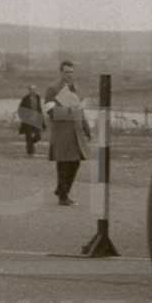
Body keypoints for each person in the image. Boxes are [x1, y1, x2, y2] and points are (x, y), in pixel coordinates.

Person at [43, 59, 93, 206]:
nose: (69, 75)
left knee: (75, 163)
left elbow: (80, 111)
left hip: (76, 133)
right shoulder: (52, 89)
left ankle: (61, 190)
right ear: (61, 72)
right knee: (64, 164)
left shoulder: (75, 88)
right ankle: (63, 197)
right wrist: (70, 111)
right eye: (66, 72)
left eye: (71, 72)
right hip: (62, 133)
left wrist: (87, 128)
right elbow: (50, 112)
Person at [16, 87, 44, 156]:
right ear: (29, 90)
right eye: (32, 89)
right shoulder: (25, 99)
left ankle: (30, 144)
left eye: (34, 89)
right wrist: (24, 117)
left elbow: (39, 108)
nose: (33, 91)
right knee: (28, 136)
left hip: (36, 120)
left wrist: (42, 120)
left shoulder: (38, 97)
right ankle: (30, 152)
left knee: (38, 136)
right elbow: (20, 109)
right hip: (28, 121)